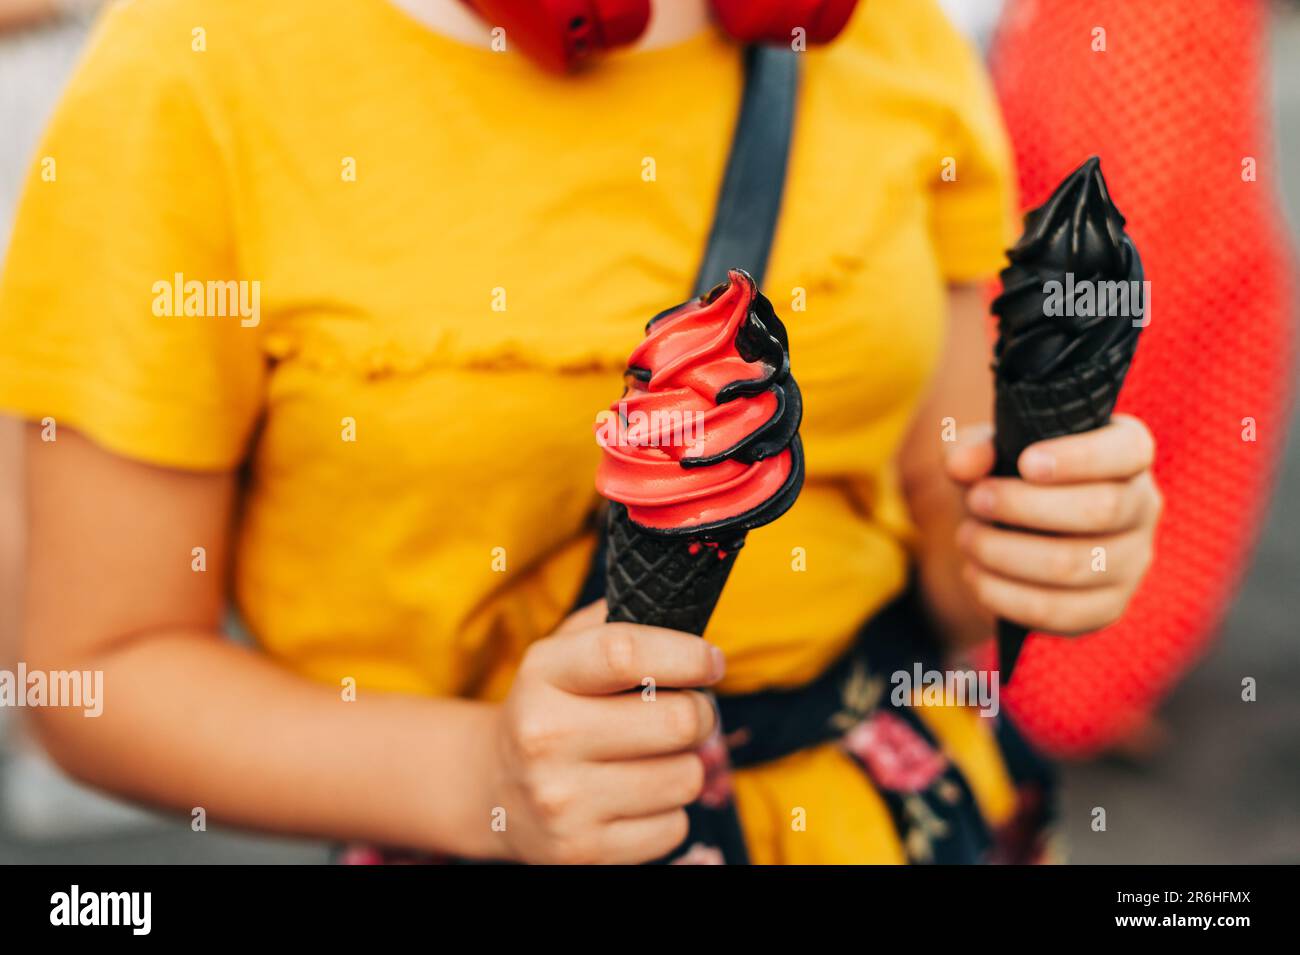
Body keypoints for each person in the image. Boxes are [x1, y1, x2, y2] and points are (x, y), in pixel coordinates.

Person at [0, 0, 1160, 864]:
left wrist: (1043, 535)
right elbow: (94, 673)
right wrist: (482, 782)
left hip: (900, 811)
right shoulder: (193, 73)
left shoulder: (880, 31)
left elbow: (942, 547)